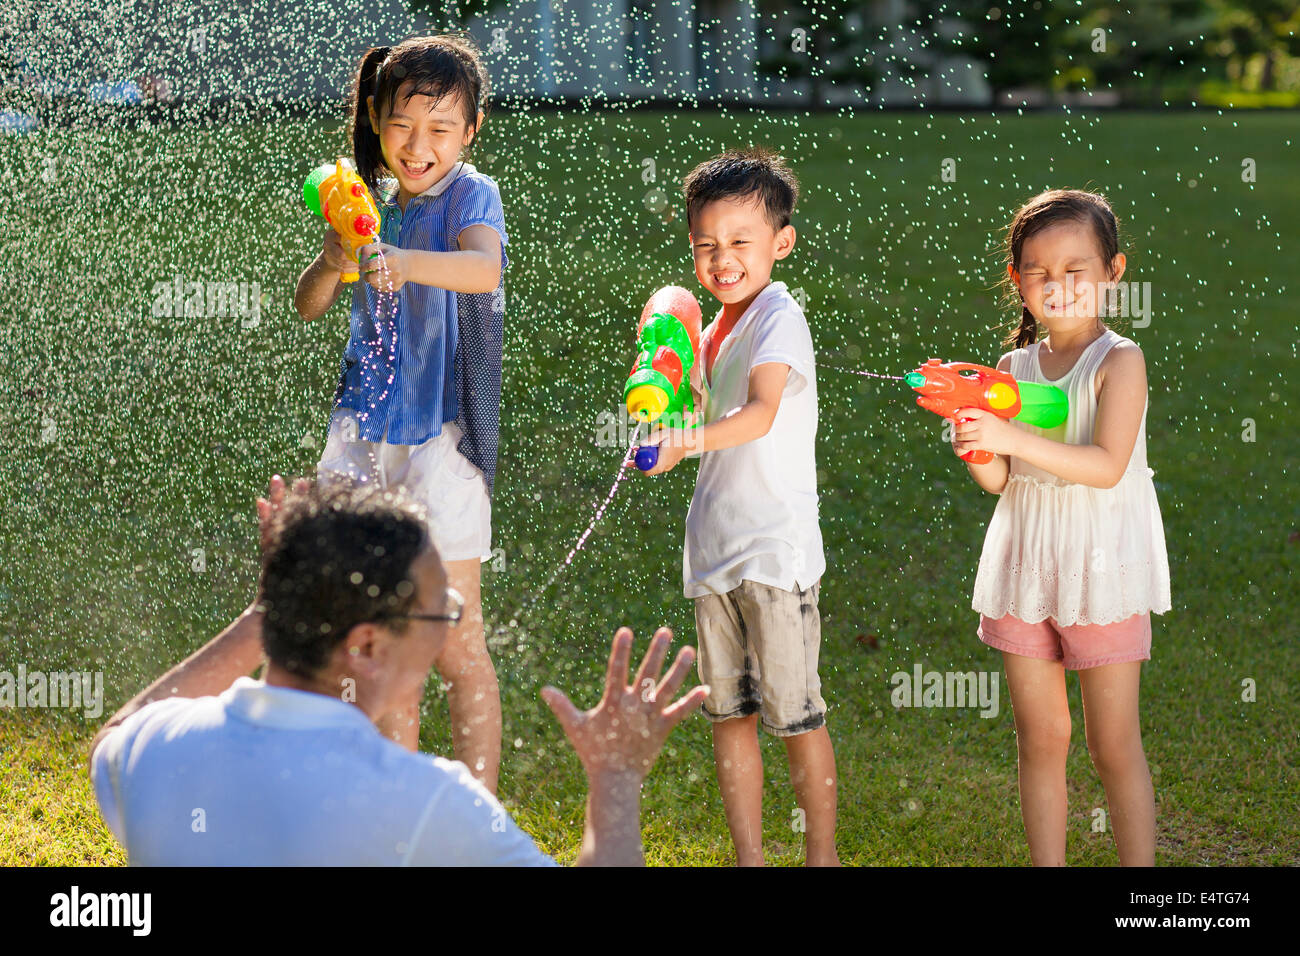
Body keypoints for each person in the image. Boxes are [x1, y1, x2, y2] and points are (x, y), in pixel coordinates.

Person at [88, 476, 707, 866]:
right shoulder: (427, 807)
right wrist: (618, 778)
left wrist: (269, 609)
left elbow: (118, 732)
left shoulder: (163, 751)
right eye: (439, 615)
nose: (449, 629)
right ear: (366, 646)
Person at [293, 34, 507, 790]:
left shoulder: (469, 197)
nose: (419, 146)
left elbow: (484, 270)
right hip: (362, 433)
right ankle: (392, 797)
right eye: (402, 126)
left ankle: (476, 806)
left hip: (441, 440)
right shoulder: (369, 203)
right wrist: (332, 259)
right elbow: (309, 306)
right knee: (378, 635)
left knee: (454, 639)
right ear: (378, 120)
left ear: (470, 131)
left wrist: (408, 262)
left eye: (440, 129)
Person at [954, 188, 1171, 866]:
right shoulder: (1013, 370)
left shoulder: (1119, 361)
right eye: (1040, 273)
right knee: (1041, 738)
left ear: (1113, 271)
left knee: (1112, 746)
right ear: (1017, 282)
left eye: (1077, 269)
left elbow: (1106, 466)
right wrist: (978, 446)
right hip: (1026, 565)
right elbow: (1003, 483)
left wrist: (1009, 436)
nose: (1059, 286)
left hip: (1100, 568)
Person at [637, 147, 838, 866]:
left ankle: (822, 856)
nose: (723, 260)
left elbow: (757, 415)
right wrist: (667, 390)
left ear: (781, 243)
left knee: (795, 717)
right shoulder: (713, 330)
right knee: (729, 716)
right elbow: (707, 415)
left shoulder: (779, 317)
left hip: (773, 554)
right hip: (715, 551)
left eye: (741, 243)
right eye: (706, 246)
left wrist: (683, 442)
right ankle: (749, 856)